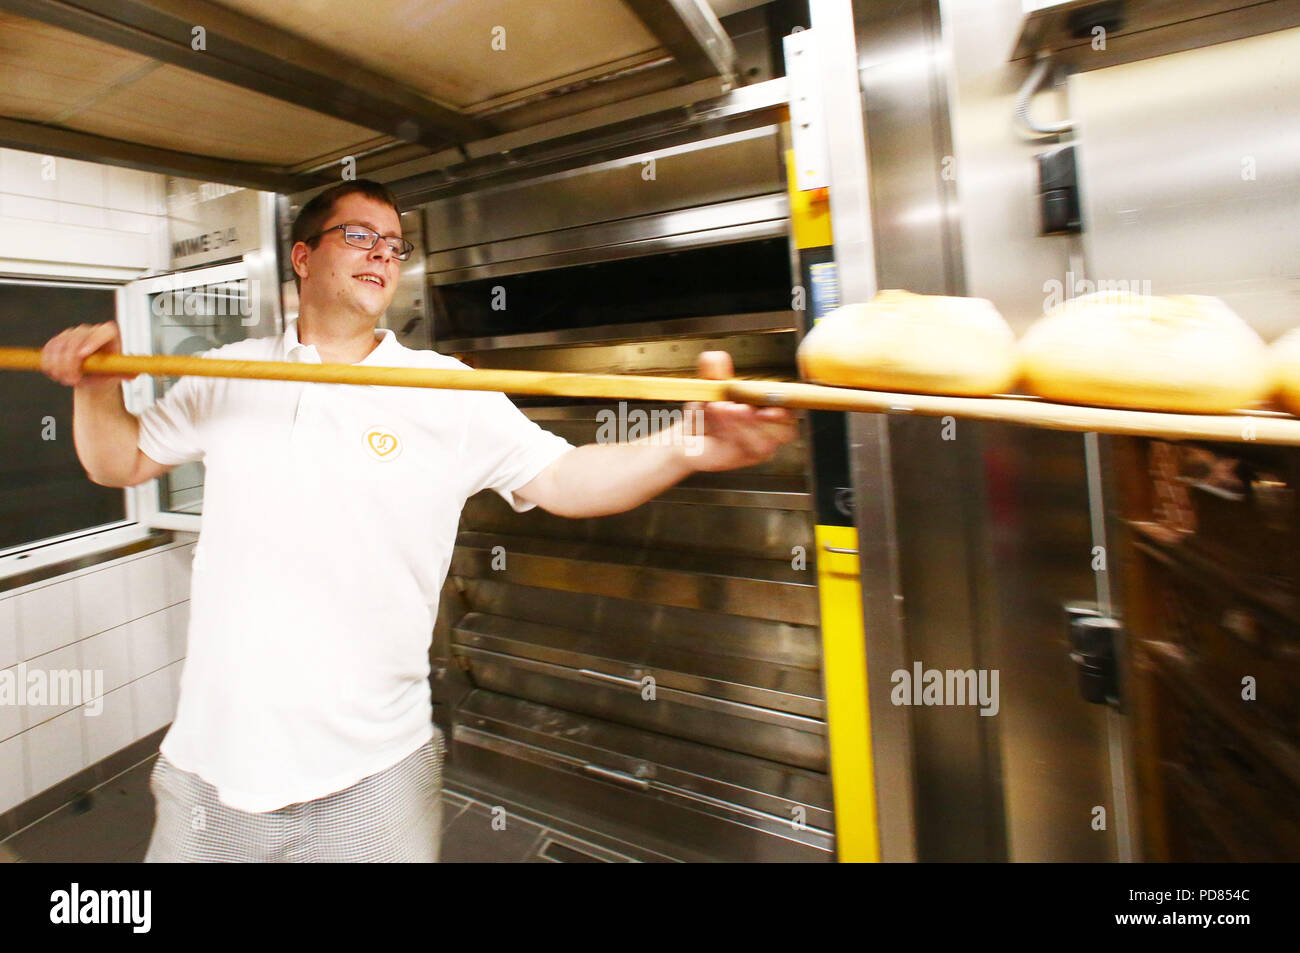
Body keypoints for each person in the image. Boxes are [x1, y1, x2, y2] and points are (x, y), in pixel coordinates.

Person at [39, 179, 796, 862]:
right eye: (359, 236)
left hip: (376, 775)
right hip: (212, 769)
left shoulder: (443, 390)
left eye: (394, 246)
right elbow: (121, 462)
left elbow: (565, 477)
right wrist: (90, 386)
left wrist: (688, 442)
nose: (382, 255)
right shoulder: (230, 373)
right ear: (303, 256)